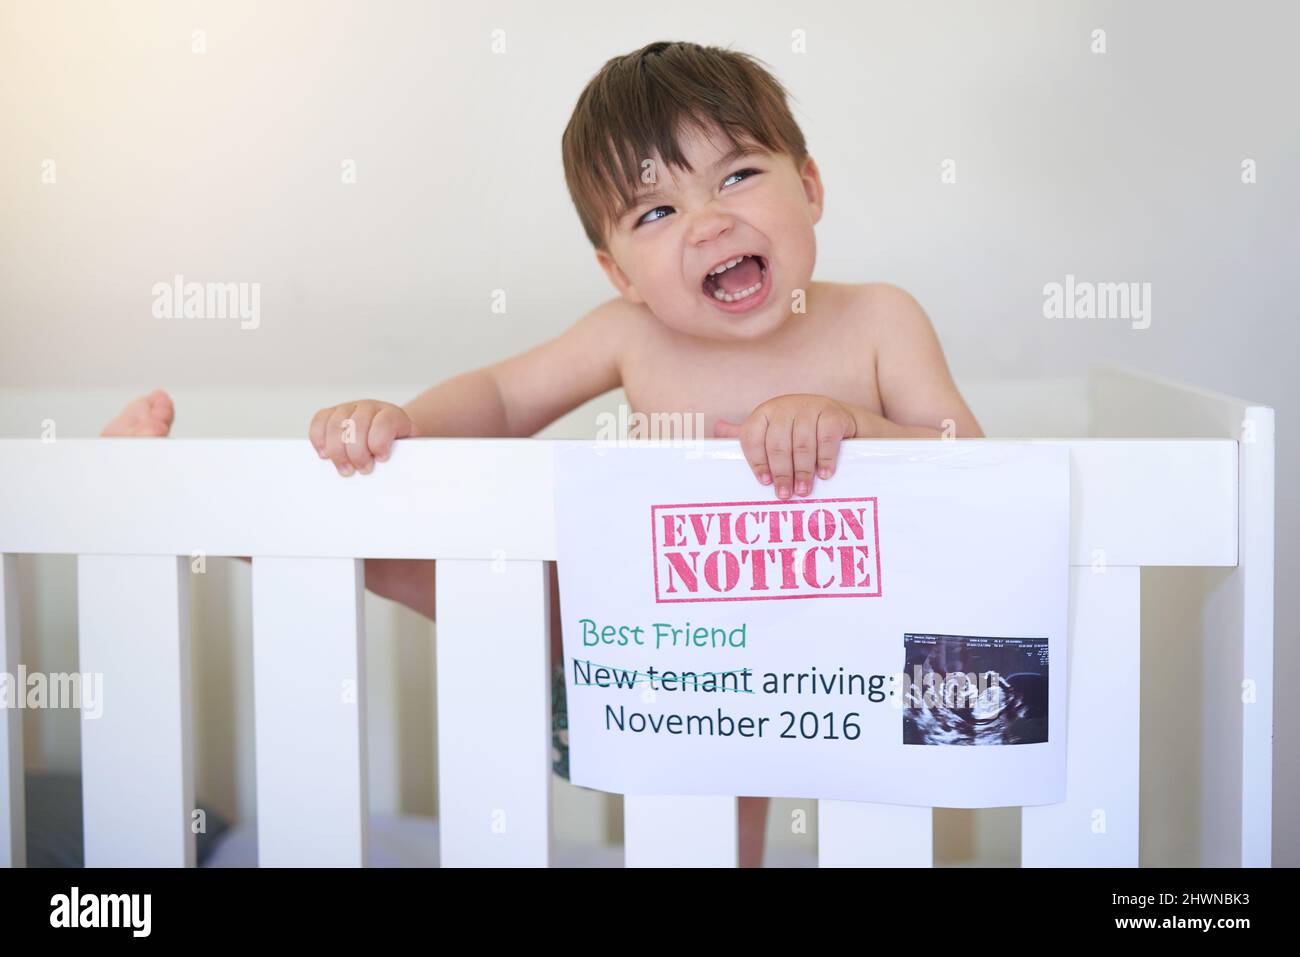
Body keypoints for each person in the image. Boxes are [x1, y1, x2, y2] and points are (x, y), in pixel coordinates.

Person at [103, 41, 984, 867]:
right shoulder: (632, 335)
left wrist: (853, 426)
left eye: (740, 175)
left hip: (841, 639)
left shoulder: (878, 320)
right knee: (419, 546)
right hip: (663, 642)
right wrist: (402, 424)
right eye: (658, 210)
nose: (710, 223)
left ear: (812, 184)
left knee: (750, 788)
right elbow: (502, 396)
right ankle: (211, 508)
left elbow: (973, 462)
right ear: (621, 274)